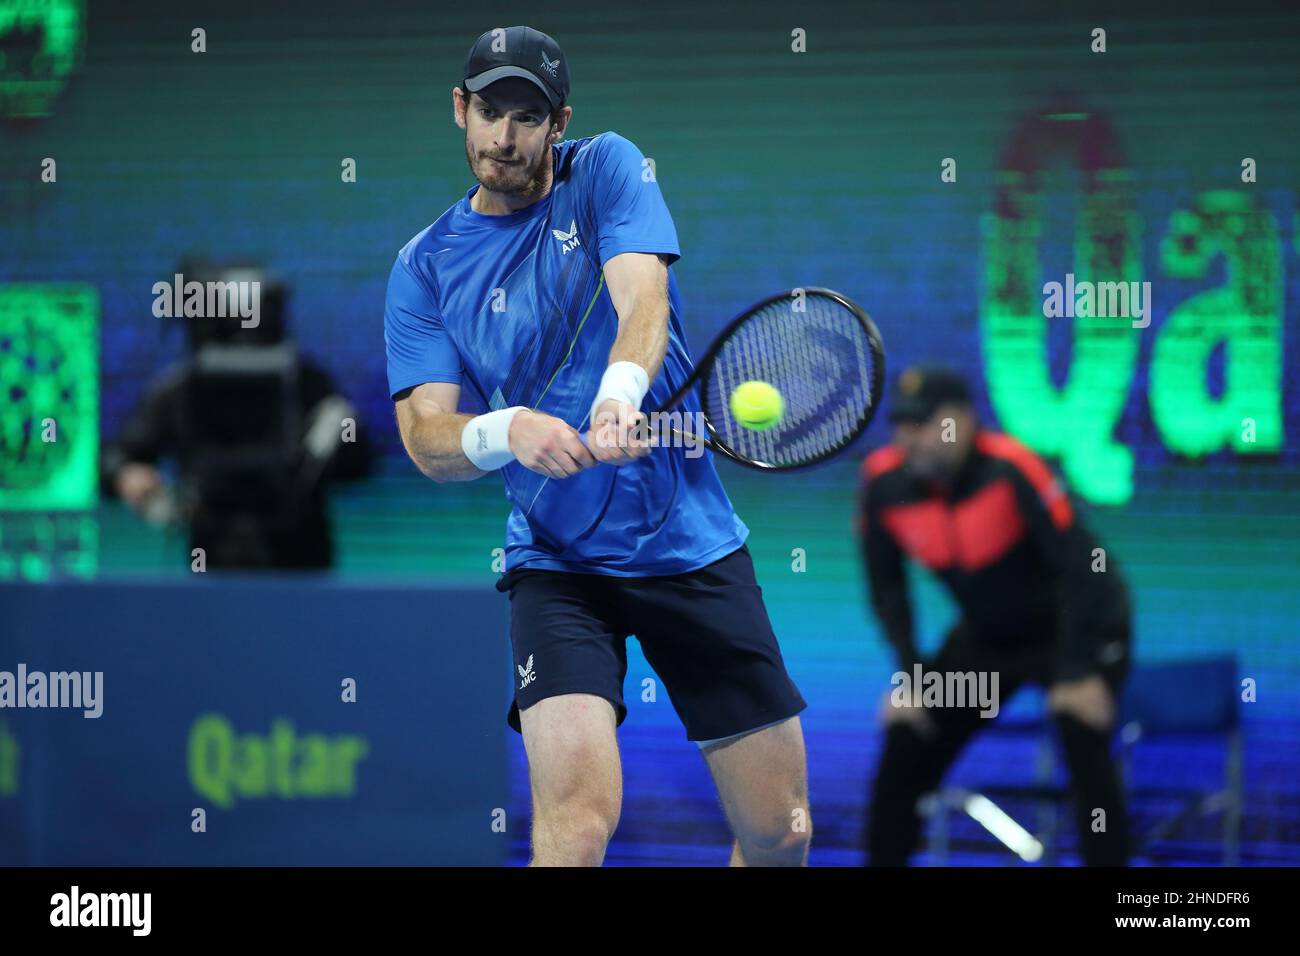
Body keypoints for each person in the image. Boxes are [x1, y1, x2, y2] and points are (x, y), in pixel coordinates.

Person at [383, 25, 809, 866]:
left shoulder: (609, 167)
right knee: (574, 830)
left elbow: (641, 295)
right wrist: (511, 431)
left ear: (559, 121)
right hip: (557, 566)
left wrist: (618, 398)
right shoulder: (425, 267)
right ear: (459, 111)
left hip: (690, 548)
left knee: (779, 831)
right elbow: (427, 439)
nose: (504, 137)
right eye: (489, 112)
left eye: (527, 116)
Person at [856, 365, 1134, 865]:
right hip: (991, 642)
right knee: (910, 732)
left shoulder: (1012, 467)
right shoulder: (882, 485)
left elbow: (1077, 571)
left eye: (923, 424)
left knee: (1080, 730)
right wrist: (914, 676)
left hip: (1080, 627)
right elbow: (888, 590)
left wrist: (1077, 673)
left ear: (961, 421)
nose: (909, 439)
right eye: (901, 425)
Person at [104, 262, 373, 569]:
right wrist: (128, 477)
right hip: (213, 559)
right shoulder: (184, 389)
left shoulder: (306, 384)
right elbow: (117, 455)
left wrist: (339, 439)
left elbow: (360, 459)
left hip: (299, 561)